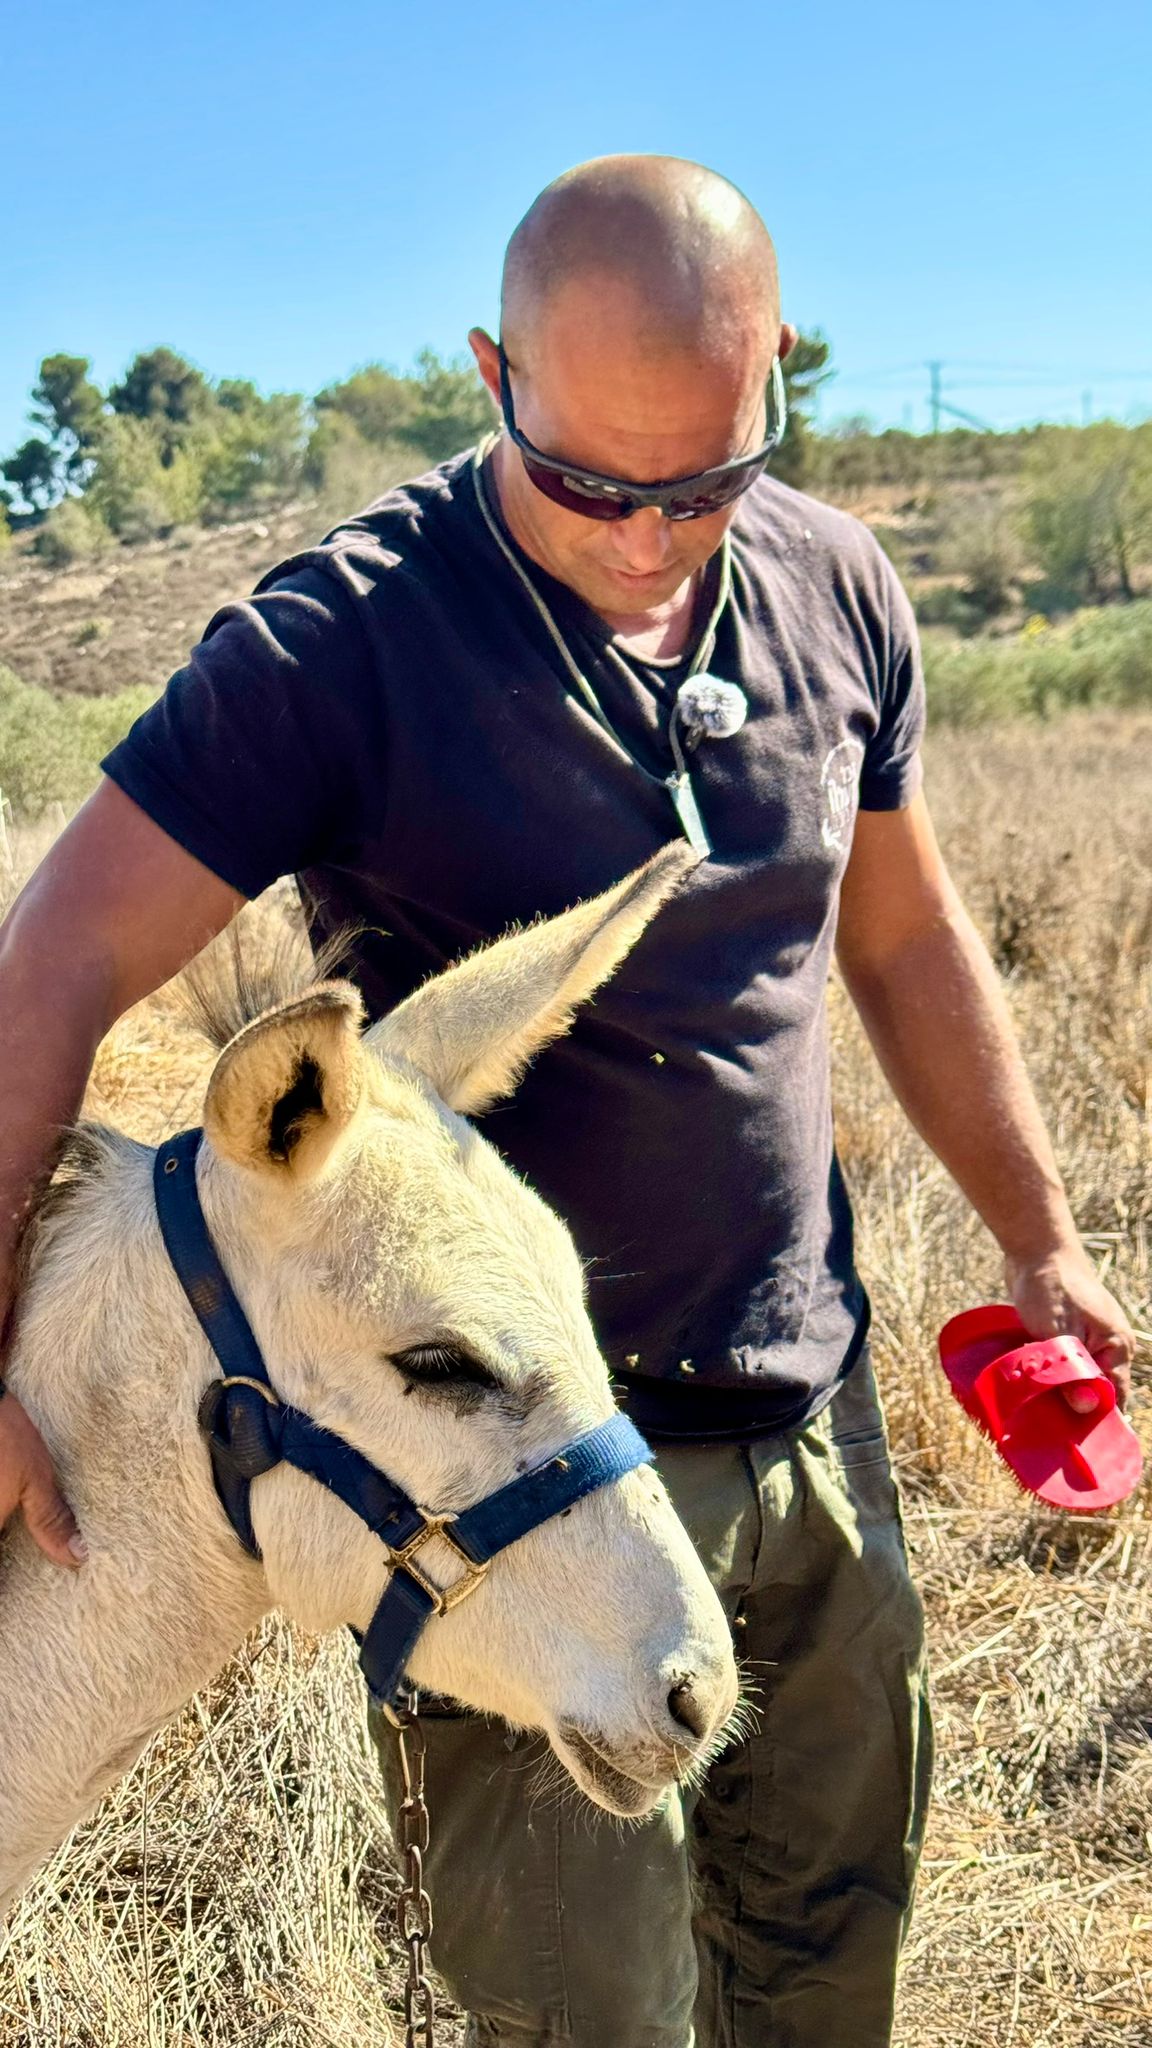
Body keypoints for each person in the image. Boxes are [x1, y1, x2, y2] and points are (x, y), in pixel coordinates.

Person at [0, 156, 1133, 2047]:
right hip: (497, 1473)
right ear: (491, 371)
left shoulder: (837, 585)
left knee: (827, 1961)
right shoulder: (342, 643)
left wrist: (1041, 1230)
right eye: (591, 481)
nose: (646, 535)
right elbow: (52, 963)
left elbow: (912, 941)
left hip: (811, 1416)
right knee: (587, 2018)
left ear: (777, 369)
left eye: (704, 478)